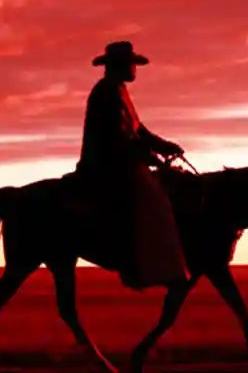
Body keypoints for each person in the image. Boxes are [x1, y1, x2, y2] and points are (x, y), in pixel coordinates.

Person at [76, 40, 189, 290]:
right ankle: (144, 265)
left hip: (122, 159)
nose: (134, 69)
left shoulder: (118, 90)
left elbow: (138, 129)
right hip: (109, 164)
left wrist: (162, 145)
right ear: (120, 66)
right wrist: (148, 155)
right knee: (154, 201)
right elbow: (116, 135)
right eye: (130, 64)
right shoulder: (106, 92)